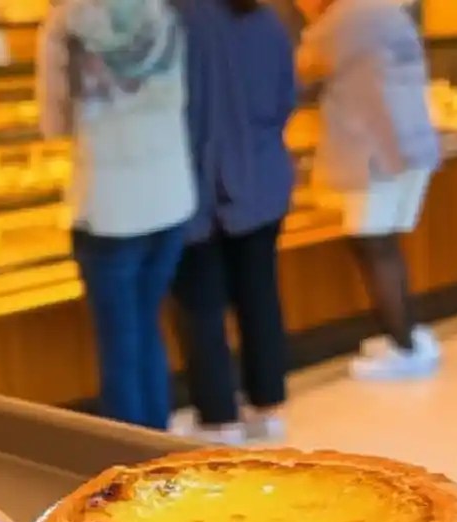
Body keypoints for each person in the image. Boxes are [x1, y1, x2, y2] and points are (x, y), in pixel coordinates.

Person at [38, 0, 196, 430]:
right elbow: (179, 98)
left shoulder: (64, 25)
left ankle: (129, 457)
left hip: (108, 204)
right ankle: (156, 445)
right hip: (170, 196)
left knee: (119, 342)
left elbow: (54, 123)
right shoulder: (160, 14)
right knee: (147, 326)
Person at [171, 0, 297, 444]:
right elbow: (287, 98)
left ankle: (219, 416)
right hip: (263, 178)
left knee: (200, 305)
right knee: (260, 294)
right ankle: (267, 406)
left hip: (197, 184)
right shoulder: (266, 18)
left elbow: (182, 112)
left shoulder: (179, 18)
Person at [295, 0, 441, 380]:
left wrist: (313, 26)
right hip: (411, 145)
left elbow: (299, 74)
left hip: (376, 152)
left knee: (373, 246)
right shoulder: (388, 10)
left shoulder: (341, 21)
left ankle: (404, 349)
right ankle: (408, 335)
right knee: (386, 245)